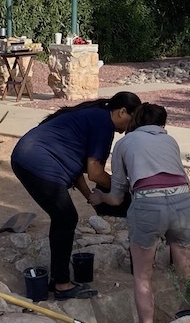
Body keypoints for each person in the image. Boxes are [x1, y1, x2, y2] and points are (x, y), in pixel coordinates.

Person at [10, 91, 141, 300]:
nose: (130, 127)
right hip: (38, 161)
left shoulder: (95, 114)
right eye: (132, 120)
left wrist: (89, 195)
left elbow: (78, 165)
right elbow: (96, 172)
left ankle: (58, 280)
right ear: (122, 111)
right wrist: (125, 188)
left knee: (63, 217)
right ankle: (62, 285)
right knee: (66, 218)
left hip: (26, 156)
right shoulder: (104, 125)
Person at [91, 103, 190, 323]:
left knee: (142, 276)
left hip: (148, 205)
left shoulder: (124, 143)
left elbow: (117, 198)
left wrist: (100, 197)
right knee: (187, 270)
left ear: (135, 121)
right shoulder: (170, 141)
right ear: (162, 123)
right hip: (182, 203)